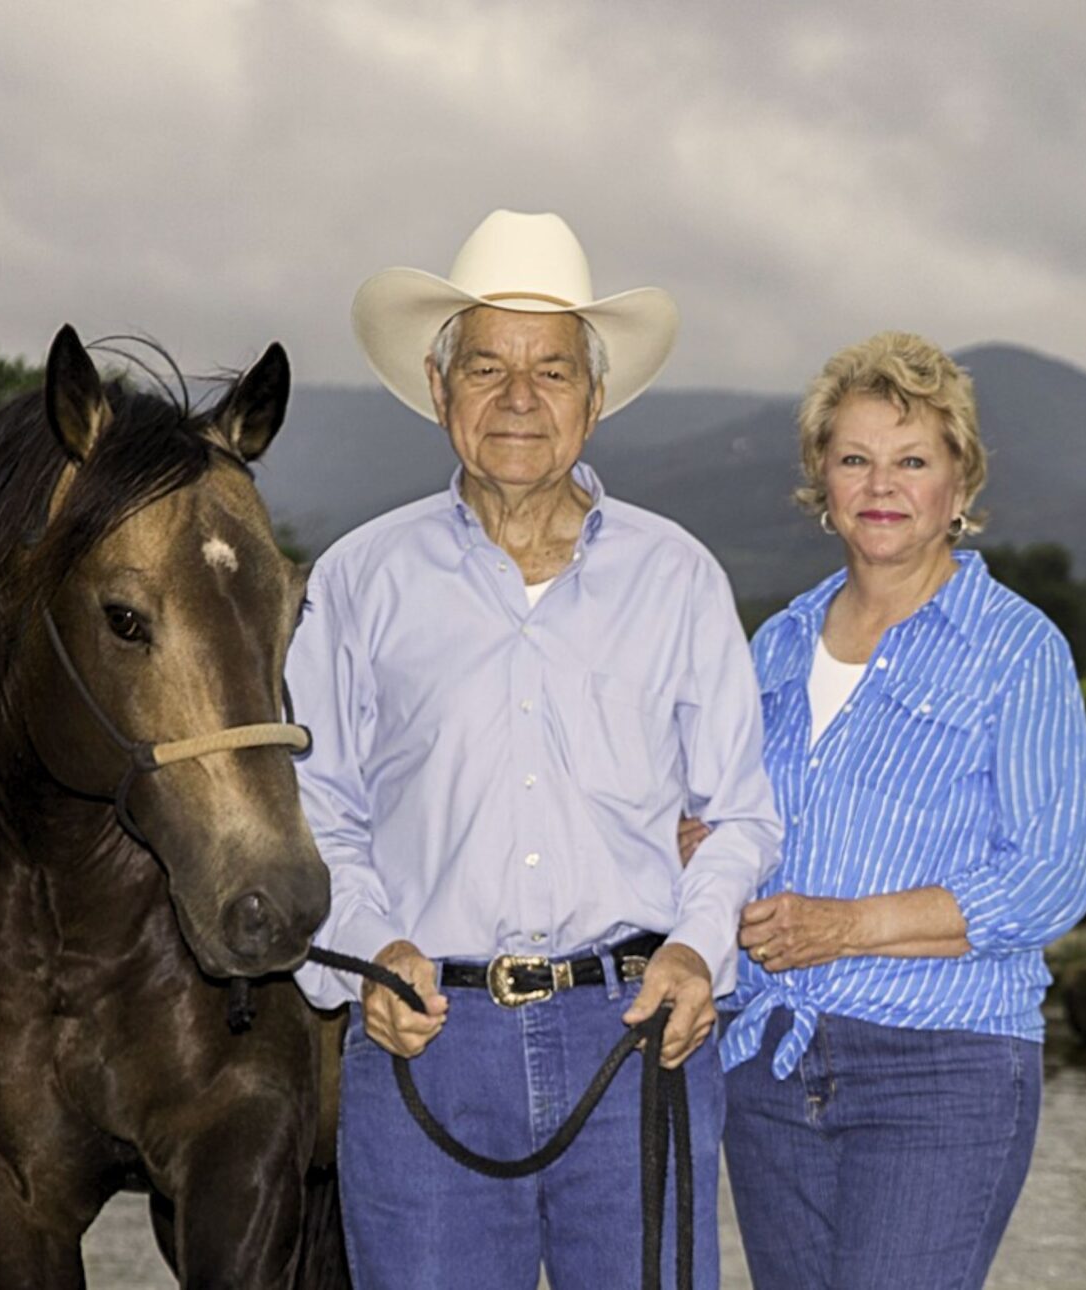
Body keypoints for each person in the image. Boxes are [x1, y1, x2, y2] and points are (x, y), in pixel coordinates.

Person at [289, 209, 780, 1290]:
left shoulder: (679, 577)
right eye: (486, 368)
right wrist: (369, 951)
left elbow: (739, 813)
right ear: (437, 386)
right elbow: (313, 812)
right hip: (426, 1040)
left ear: (593, 399)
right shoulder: (358, 580)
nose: (519, 399)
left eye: (551, 371)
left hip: (636, 1034)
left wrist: (698, 949)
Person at [693, 331, 1086, 1290]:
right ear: (821, 483)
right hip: (771, 1062)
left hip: (943, 1070)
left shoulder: (1018, 649)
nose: (883, 484)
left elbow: (1050, 879)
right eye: (855, 459)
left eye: (913, 460)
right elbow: (738, 824)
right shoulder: (777, 645)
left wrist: (846, 927)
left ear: (959, 489)